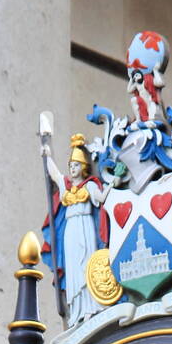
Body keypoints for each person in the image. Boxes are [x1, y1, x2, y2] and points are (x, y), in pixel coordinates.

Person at [41, 131, 112, 328]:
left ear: (83, 168)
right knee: (73, 268)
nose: (72, 169)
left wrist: (113, 182)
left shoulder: (88, 186)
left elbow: (100, 198)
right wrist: (46, 154)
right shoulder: (66, 188)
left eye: (76, 166)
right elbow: (54, 173)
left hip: (85, 226)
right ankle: (77, 310)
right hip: (71, 230)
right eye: (71, 166)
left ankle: (92, 306)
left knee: (86, 264)